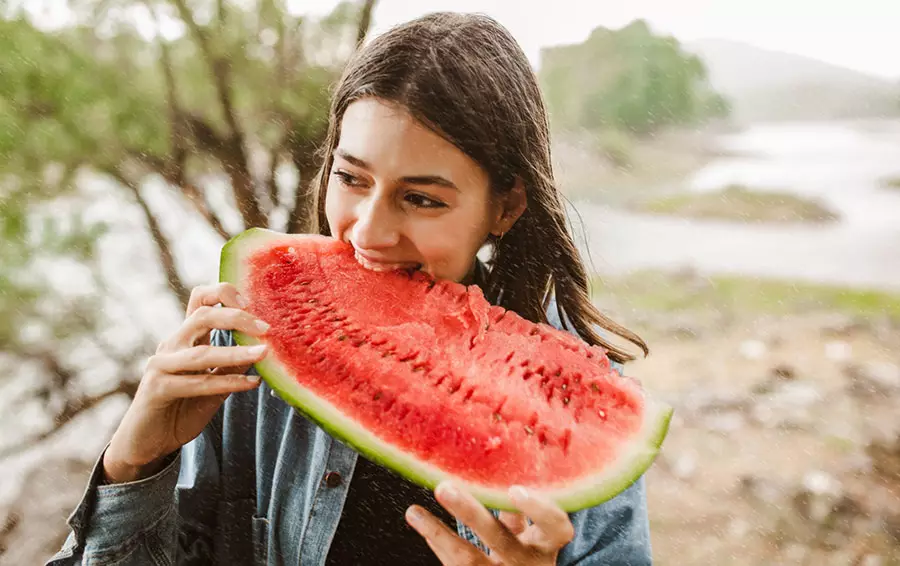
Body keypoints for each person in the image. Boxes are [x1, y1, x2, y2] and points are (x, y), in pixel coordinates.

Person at [48, 11, 653, 566]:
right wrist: (133, 463)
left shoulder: (574, 411)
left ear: (506, 206)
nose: (369, 231)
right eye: (351, 178)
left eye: (421, 198)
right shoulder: (251, 355)